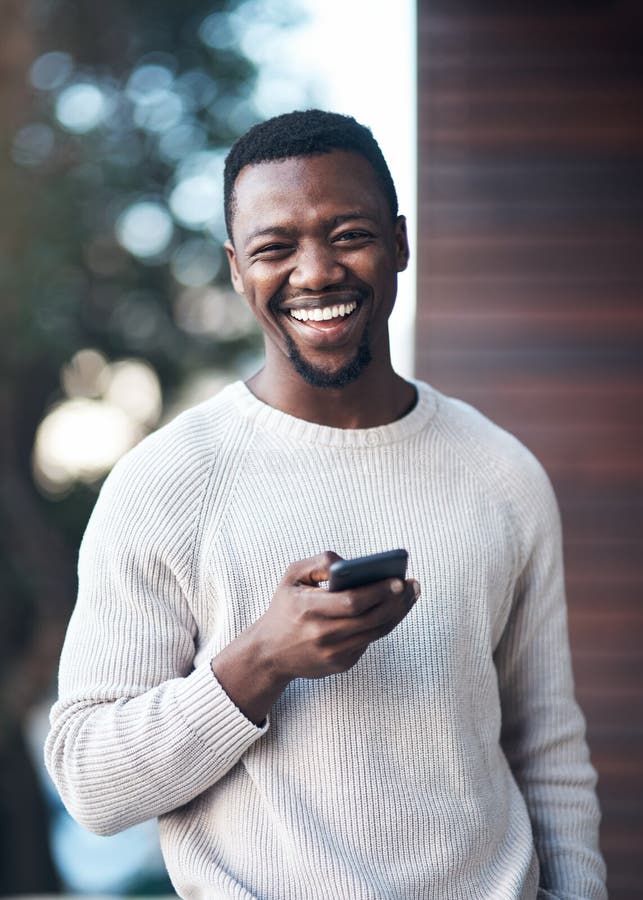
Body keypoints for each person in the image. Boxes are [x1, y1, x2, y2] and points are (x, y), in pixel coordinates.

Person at [45, 109, 607, 899]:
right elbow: (92, 785)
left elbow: (545, 750)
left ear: (400, 242)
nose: (315, 272)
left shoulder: (499, 472)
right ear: (237, 269)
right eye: (276, 248)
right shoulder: (164, 482)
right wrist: (260, 661)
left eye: (348, 234)